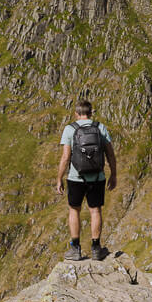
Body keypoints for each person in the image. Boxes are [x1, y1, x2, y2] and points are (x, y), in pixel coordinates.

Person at [56, 100, 117, 261]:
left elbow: (65, 157)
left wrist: (59, 179)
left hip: (75, 177)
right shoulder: (100, 128)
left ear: (76, 113)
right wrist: (114, 174)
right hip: (97, 177)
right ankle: (96, 249)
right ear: (91, 113)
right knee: (95, 211)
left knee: (74, 210)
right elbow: (110, 154)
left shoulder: (70, 129)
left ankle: (75, 249)